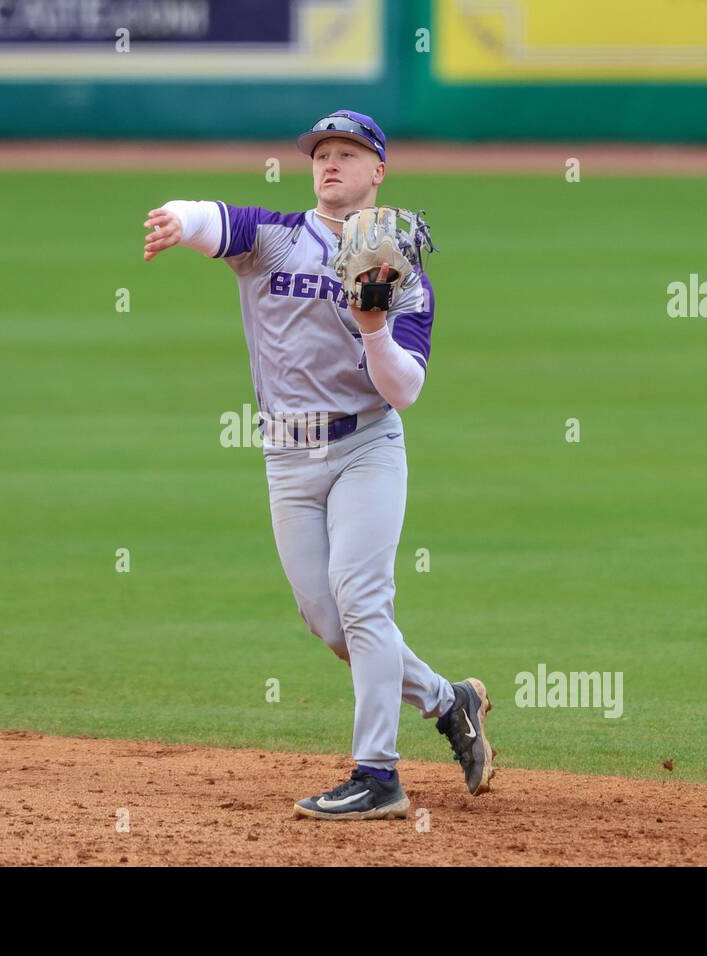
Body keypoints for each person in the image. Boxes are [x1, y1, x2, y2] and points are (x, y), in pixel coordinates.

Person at [141, 110, 494, 820]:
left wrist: (372, 326)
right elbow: (211, 216)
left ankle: (378, 775)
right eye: (321, 153)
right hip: (286, 457)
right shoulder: (273, 238)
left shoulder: (403, 275)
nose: (329, 163)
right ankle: (448, 701)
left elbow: (405, 390)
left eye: (347, 152)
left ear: (378, 172)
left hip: (367, 446)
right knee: (333, 627)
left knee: (365, 602)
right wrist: (177, 220)